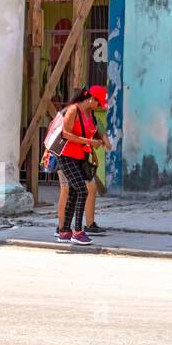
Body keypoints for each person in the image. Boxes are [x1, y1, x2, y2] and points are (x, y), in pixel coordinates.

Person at [55, 86, 110, 246]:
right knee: (82, 190)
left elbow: (91, 132)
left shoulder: (89, 114)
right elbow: (65, 134)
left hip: (79, 157)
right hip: (66, 157)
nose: (99, 108)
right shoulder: (73, 110)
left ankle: (65, 231)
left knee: (74, 192)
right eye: (99, 104)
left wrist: (93, 146)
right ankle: (78, 232)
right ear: (91, 99)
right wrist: (89, 142)